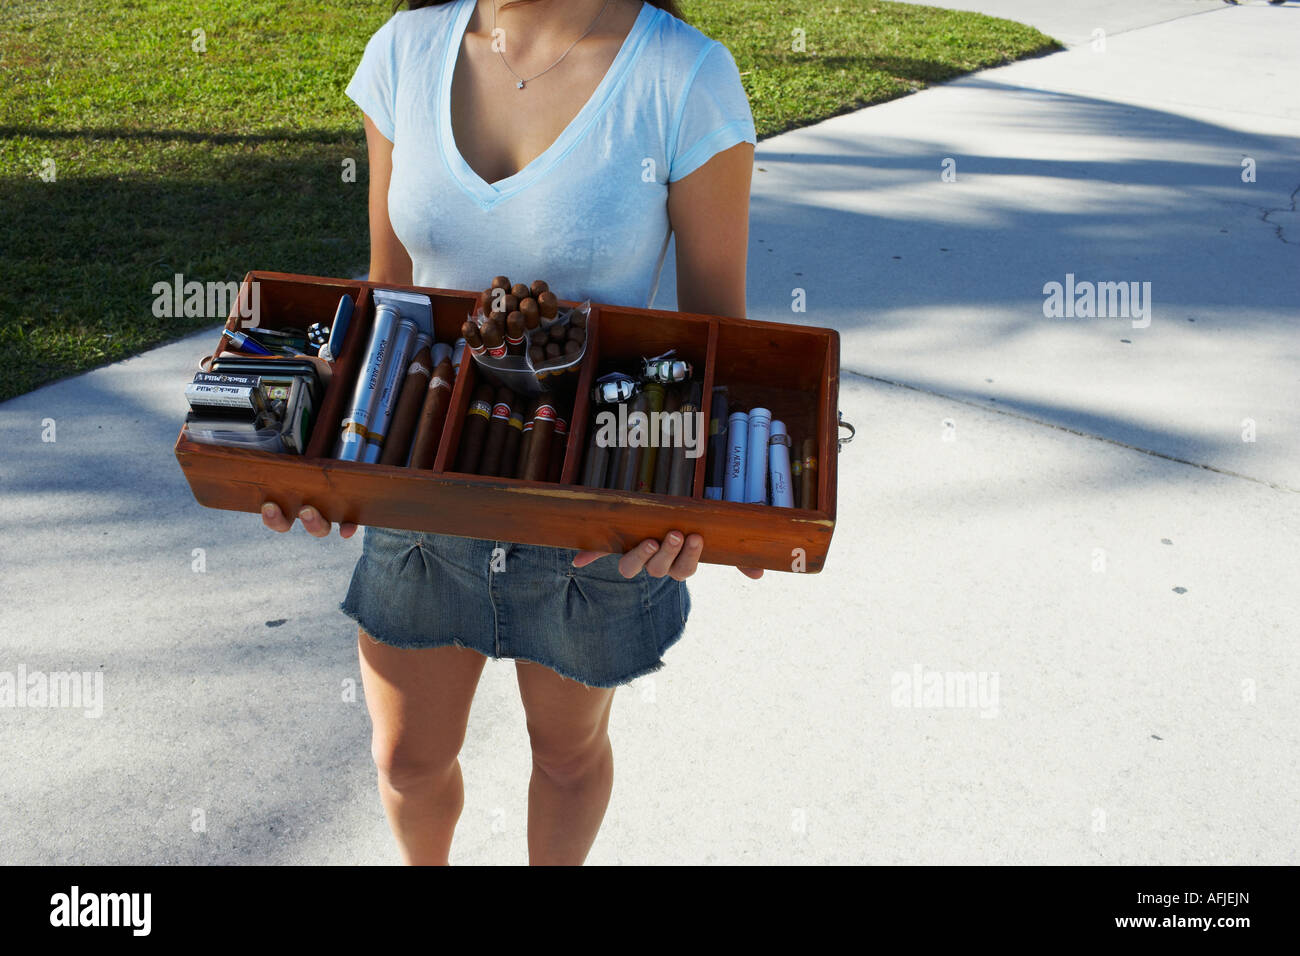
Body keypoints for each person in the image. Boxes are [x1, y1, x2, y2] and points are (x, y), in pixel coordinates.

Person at [260, 0, 760, 865]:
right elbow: (391, 293)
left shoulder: (685, 75)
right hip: (424, 474)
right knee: (409, 763)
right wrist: (324, 459)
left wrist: (696, 513)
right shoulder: (404, 52)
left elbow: (716, 338)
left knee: (566, 759)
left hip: (593, 499)